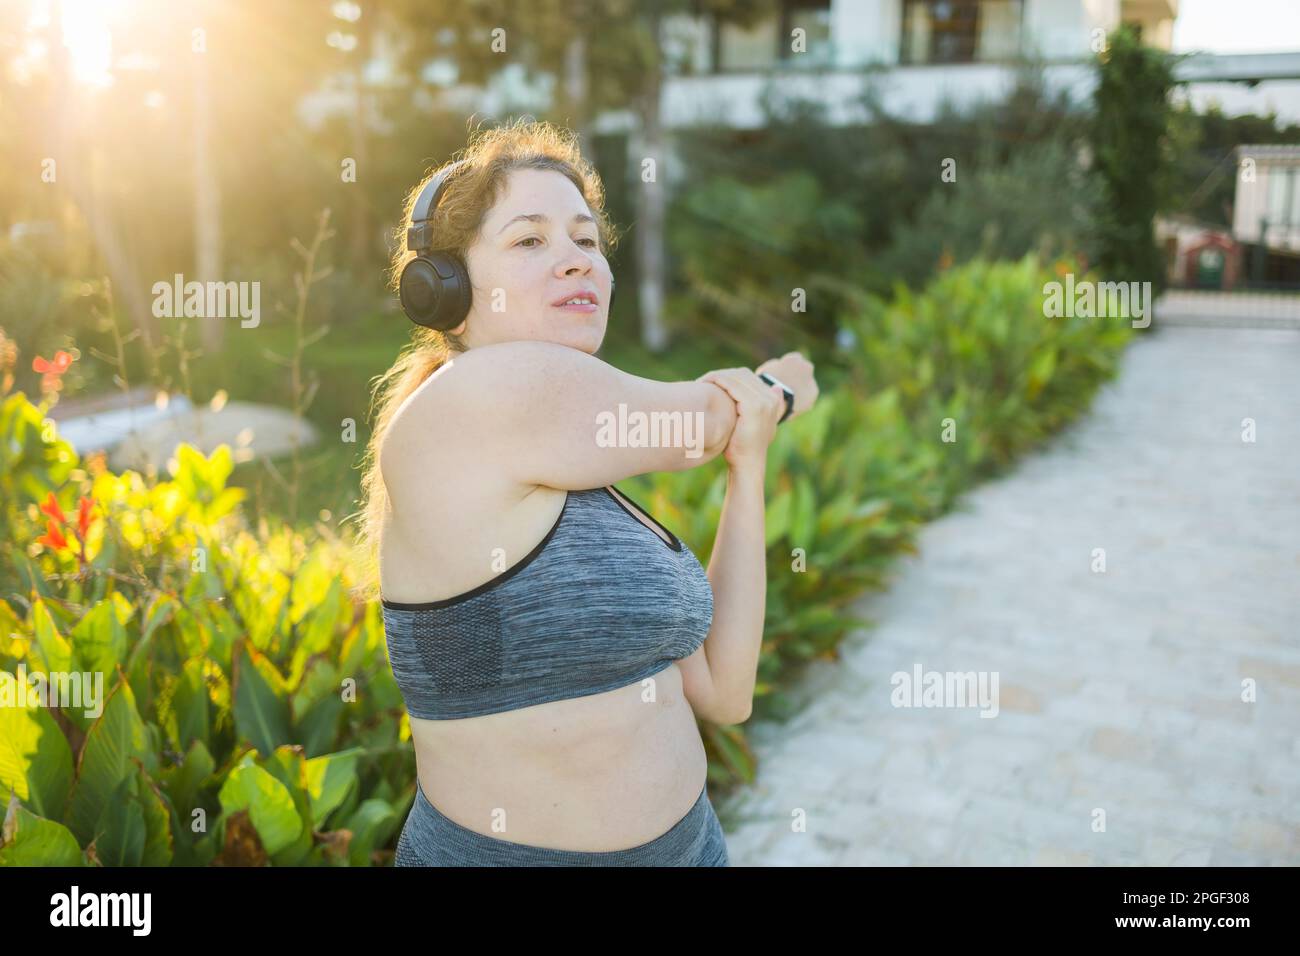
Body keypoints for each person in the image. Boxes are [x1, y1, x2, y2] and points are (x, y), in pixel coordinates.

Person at [354, 119, 818, 866]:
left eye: (586, 240)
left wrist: (750, 463)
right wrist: (777, 390)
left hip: (692, 847)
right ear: (450, 294)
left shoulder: (585, 473)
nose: (576, 262)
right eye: (530, 240)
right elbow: (701, 422)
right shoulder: (480, 396)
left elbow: (725, 694)